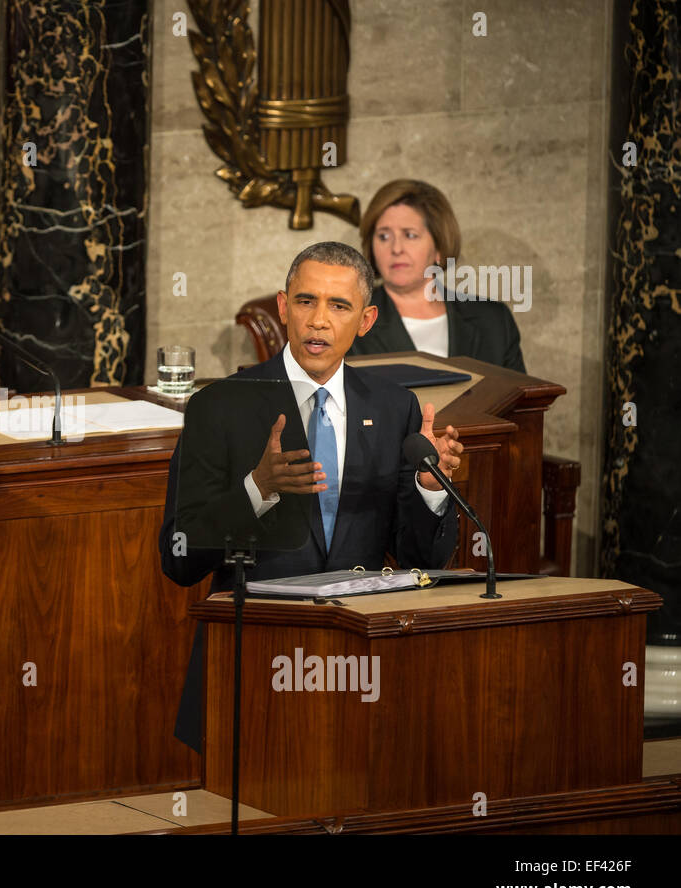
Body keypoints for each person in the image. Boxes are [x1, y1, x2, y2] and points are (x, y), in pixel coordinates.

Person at [159, 242, 463, 749]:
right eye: (306, 302)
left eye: (338, 306)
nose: (318, 321)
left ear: (366, 320)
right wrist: (257, 489)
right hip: (255, 664)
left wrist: (430, 490)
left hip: (359, 666)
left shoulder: (395, 410)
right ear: (283, 308)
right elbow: (178, 557)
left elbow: (420, 560)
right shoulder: (220, 408)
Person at [348, 178, 525, 372]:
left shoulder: (493, 321)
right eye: (383, 236)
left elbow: (523, 400)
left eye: (410, 235)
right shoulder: (349, 320)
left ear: (439, 246)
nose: (396, 248)